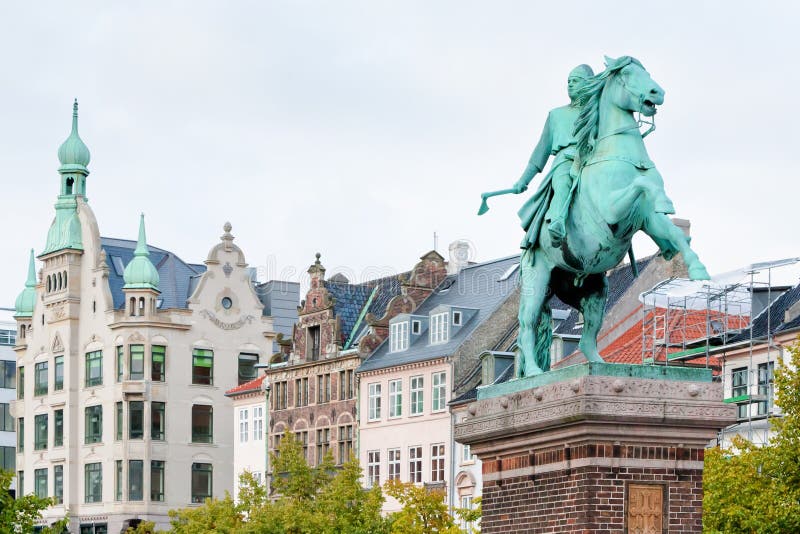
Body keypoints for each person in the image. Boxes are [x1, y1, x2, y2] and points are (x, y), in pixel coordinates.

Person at [513, 64, 594, 249]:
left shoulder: (597, 112)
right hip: (566, 160)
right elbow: (540, 152)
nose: (570, 85)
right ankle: (557, 221)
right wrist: (523, 180)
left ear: (588, 83)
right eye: (569, 81)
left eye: (576, 81)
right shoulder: (556, 115)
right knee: (563, 183)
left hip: (593, 159)